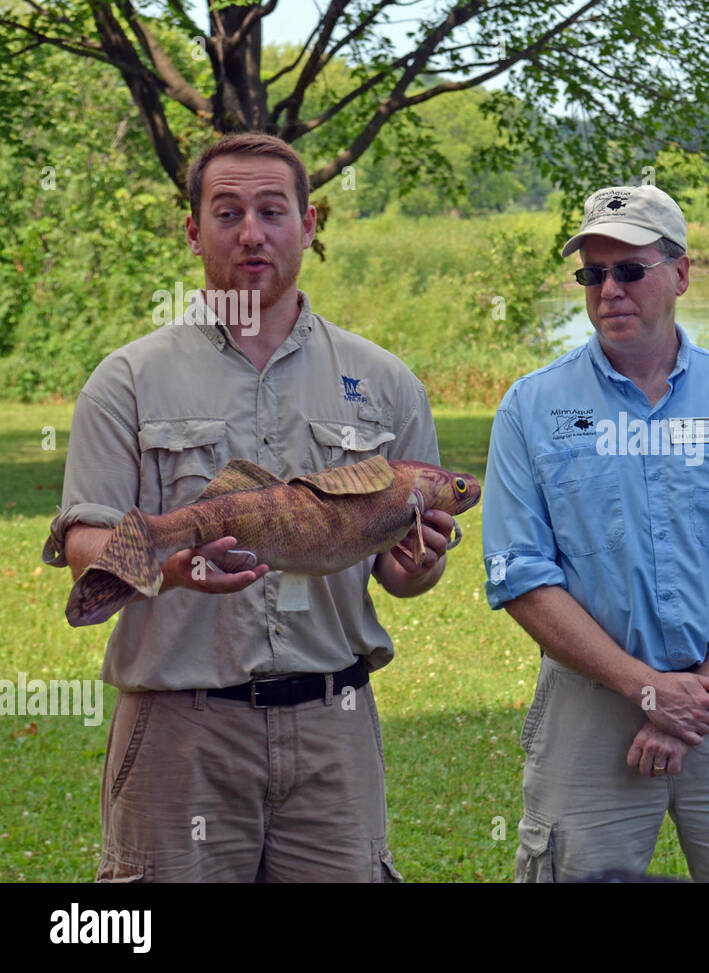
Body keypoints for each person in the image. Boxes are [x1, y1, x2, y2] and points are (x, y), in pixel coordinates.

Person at [43, 133, 457, 882]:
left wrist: (417, 563)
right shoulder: (127, 380)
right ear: (193, 228)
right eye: (226, 211)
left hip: (333, 729)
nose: (251, 232)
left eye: (273, 210)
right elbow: (86, 543)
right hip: (180, 731)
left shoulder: (386, 381)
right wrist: (169, 570)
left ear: (309, 223)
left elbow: (405, 578)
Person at [482, 184, 709, 882]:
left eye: (630, 269)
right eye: (593, 274)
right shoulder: (530, 407)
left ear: (682, 273)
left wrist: (688, 700)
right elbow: (520, 575)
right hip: (589, 704)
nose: (609, 289)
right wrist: (644, 687)